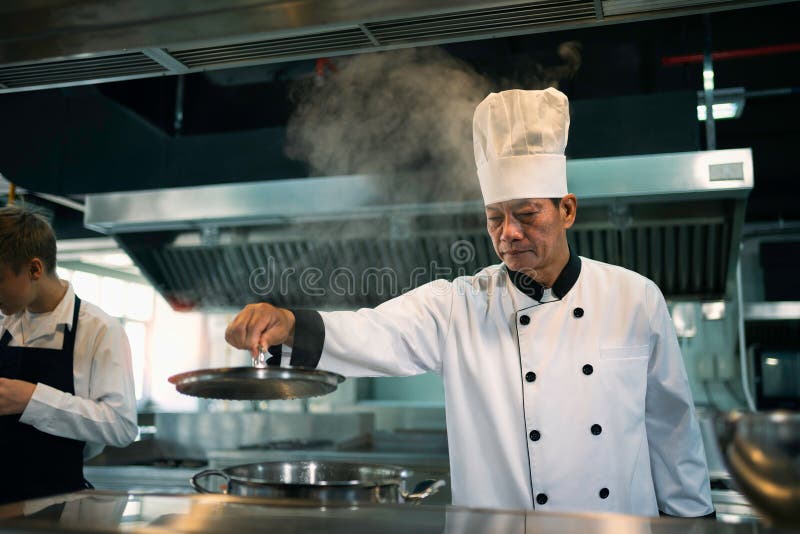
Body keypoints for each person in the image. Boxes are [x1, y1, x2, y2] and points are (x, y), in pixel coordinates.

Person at [225, 88, 714, 518]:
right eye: (495, 218)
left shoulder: (634, 297)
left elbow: (671, 427)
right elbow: (373, 332)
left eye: (526, 214)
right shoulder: (459, 306)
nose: (510, 234)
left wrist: (694, 521)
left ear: (566, 210)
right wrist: (287, 324)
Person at [0, 206, 137, 504]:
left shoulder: (99, 329)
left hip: (56, 508)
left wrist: (31, 400)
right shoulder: (4, 324)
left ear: (34, 269)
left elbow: (122, 426)